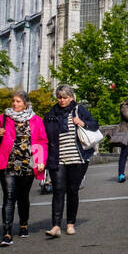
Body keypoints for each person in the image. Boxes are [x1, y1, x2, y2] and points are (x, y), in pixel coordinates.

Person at [0, 89, 47, 245]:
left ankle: (23, 223)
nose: (14, 104)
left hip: (27, 164)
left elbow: (42, 141)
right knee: (9, 197)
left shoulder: (36, 120)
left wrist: (41, 160)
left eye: (18, 101)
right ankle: (7, 233)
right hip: (7, 164)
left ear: (25, 103)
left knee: (23, 197)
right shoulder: (4, 117)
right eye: (13, 101)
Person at [42, 84, 98, 238]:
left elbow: (95, 124)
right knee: (58, 190)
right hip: (57, 158)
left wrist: (82, 123)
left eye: (65, 97)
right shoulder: (50, 115)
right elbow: (44, 136)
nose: (62, 100)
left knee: (72, 190)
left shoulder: (79, 110)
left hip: (77, 157)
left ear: (72, 97)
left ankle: (70, 223)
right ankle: (55, 226)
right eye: (59, 97)